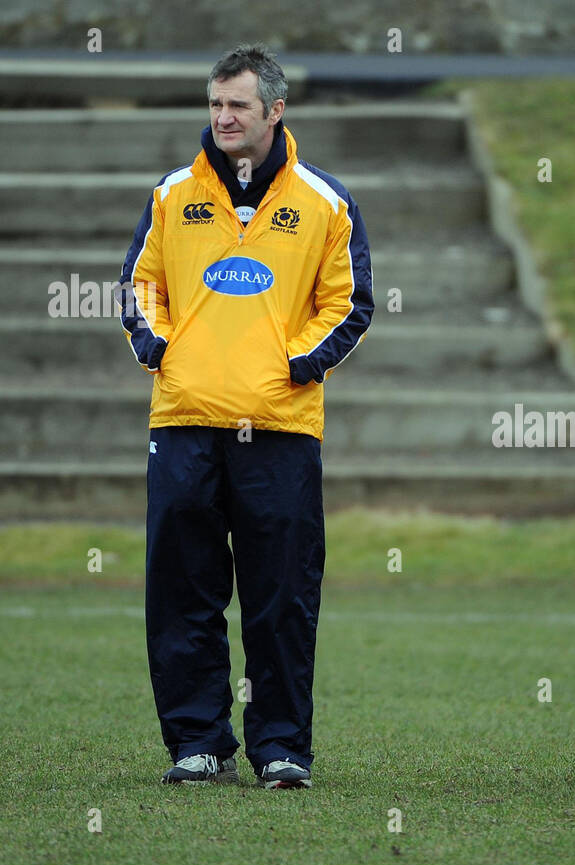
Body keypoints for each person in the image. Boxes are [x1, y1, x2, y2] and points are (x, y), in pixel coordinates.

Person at [118, 44, 372, 789]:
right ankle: (197, 745)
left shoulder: (325, 202)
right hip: (184, 424)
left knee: (281, 598)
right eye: (215, 104)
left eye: (238, 105)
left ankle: (282, 749)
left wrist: (292, 366)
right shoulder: (171, 195)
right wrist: (159, 345)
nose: (224, 117)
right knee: (182, 594)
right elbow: (140, 284)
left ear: (275, 110)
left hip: (280, 432)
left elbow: (349, 303)